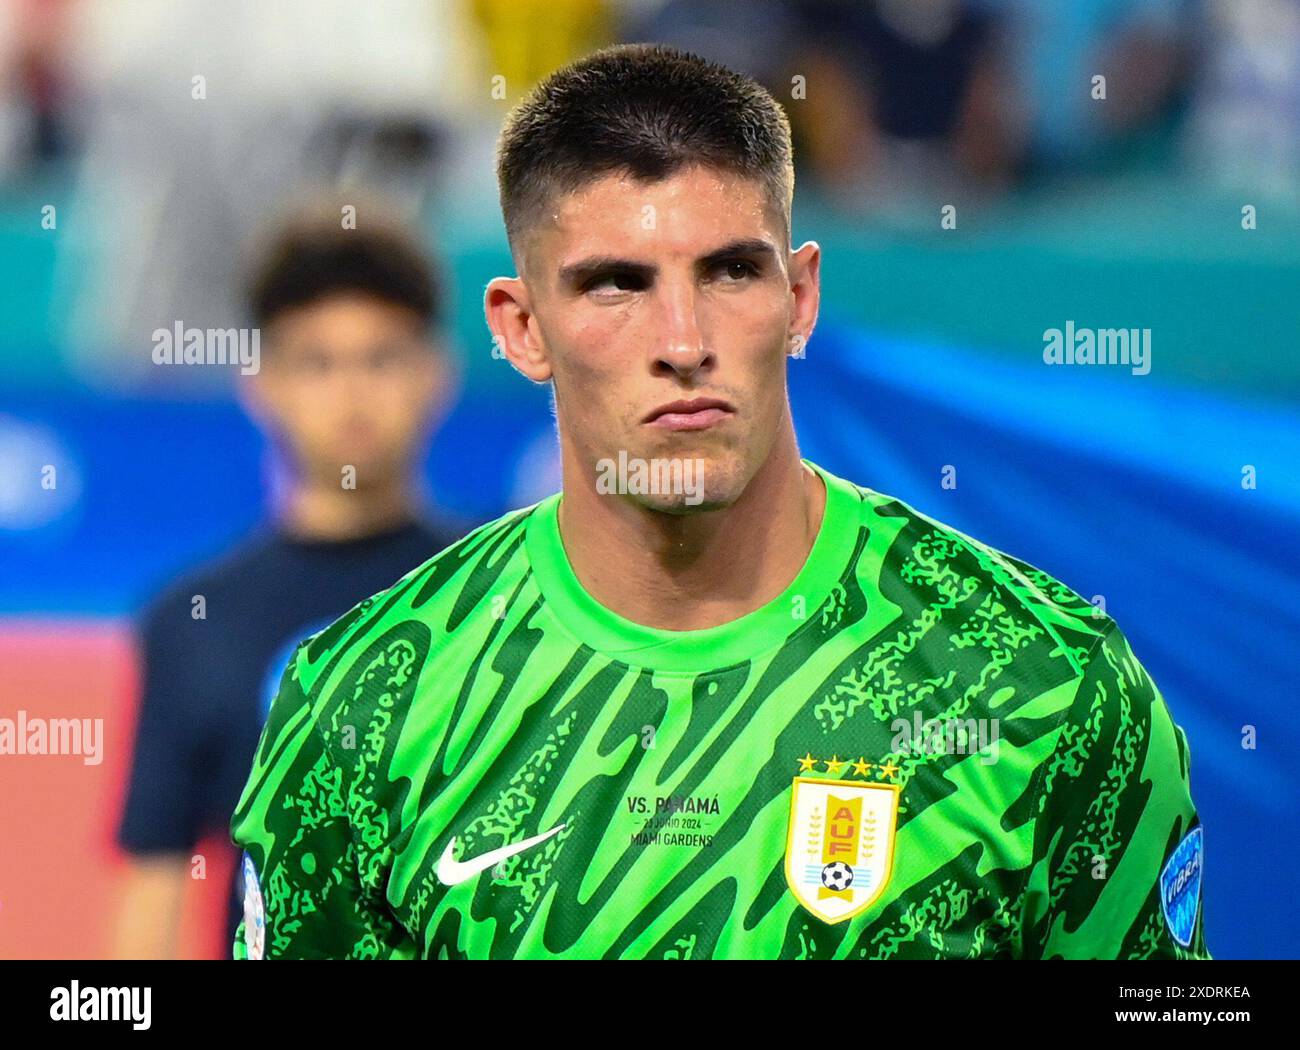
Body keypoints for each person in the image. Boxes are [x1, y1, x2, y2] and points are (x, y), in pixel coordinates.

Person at [230, 45, 1208, 960]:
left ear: (800, 295)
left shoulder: (1045, 687)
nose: (683, 338)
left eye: (732, 271)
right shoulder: (366, 705)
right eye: (616, 284)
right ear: (521, 329)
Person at [114, 202, 464, 957]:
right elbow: (152, 900)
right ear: (260, 381)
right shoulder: (188, 621)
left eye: (381, 358)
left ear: (437, 375)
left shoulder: (506, 587)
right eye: (317, 361)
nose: (351, 393)